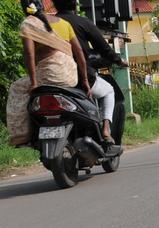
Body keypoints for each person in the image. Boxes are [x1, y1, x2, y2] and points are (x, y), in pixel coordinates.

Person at [5, 0, 92, 145]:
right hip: (70, 77)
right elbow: (79, 54)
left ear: (24, 9)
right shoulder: (64, 23)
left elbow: (29, 54)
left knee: (17, 87)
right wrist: (85, 81)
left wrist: (34, 82)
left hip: (49, 76)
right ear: (43, 6)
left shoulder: (28, 23)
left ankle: (20, 136)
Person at [53, 0, 127, 145]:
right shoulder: (80, 23)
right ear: (75, 5)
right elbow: (101, 47)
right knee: (109, 91)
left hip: (51, 77)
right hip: (77, 77)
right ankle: (106, 130)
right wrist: (118, 61)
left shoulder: (47, 25)